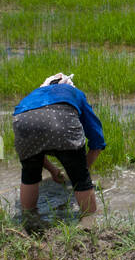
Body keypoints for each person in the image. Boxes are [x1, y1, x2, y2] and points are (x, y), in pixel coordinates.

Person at [11, 72, 105, 216]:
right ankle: (90, 221)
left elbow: (36, 148)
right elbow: (96, 139)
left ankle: (28, 218)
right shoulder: (75, 93)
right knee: (81, 180)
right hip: (62, 119)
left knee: (29, 175)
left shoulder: (34, 94)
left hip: (23, 121)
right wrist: (78, 171)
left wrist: (53, 170)